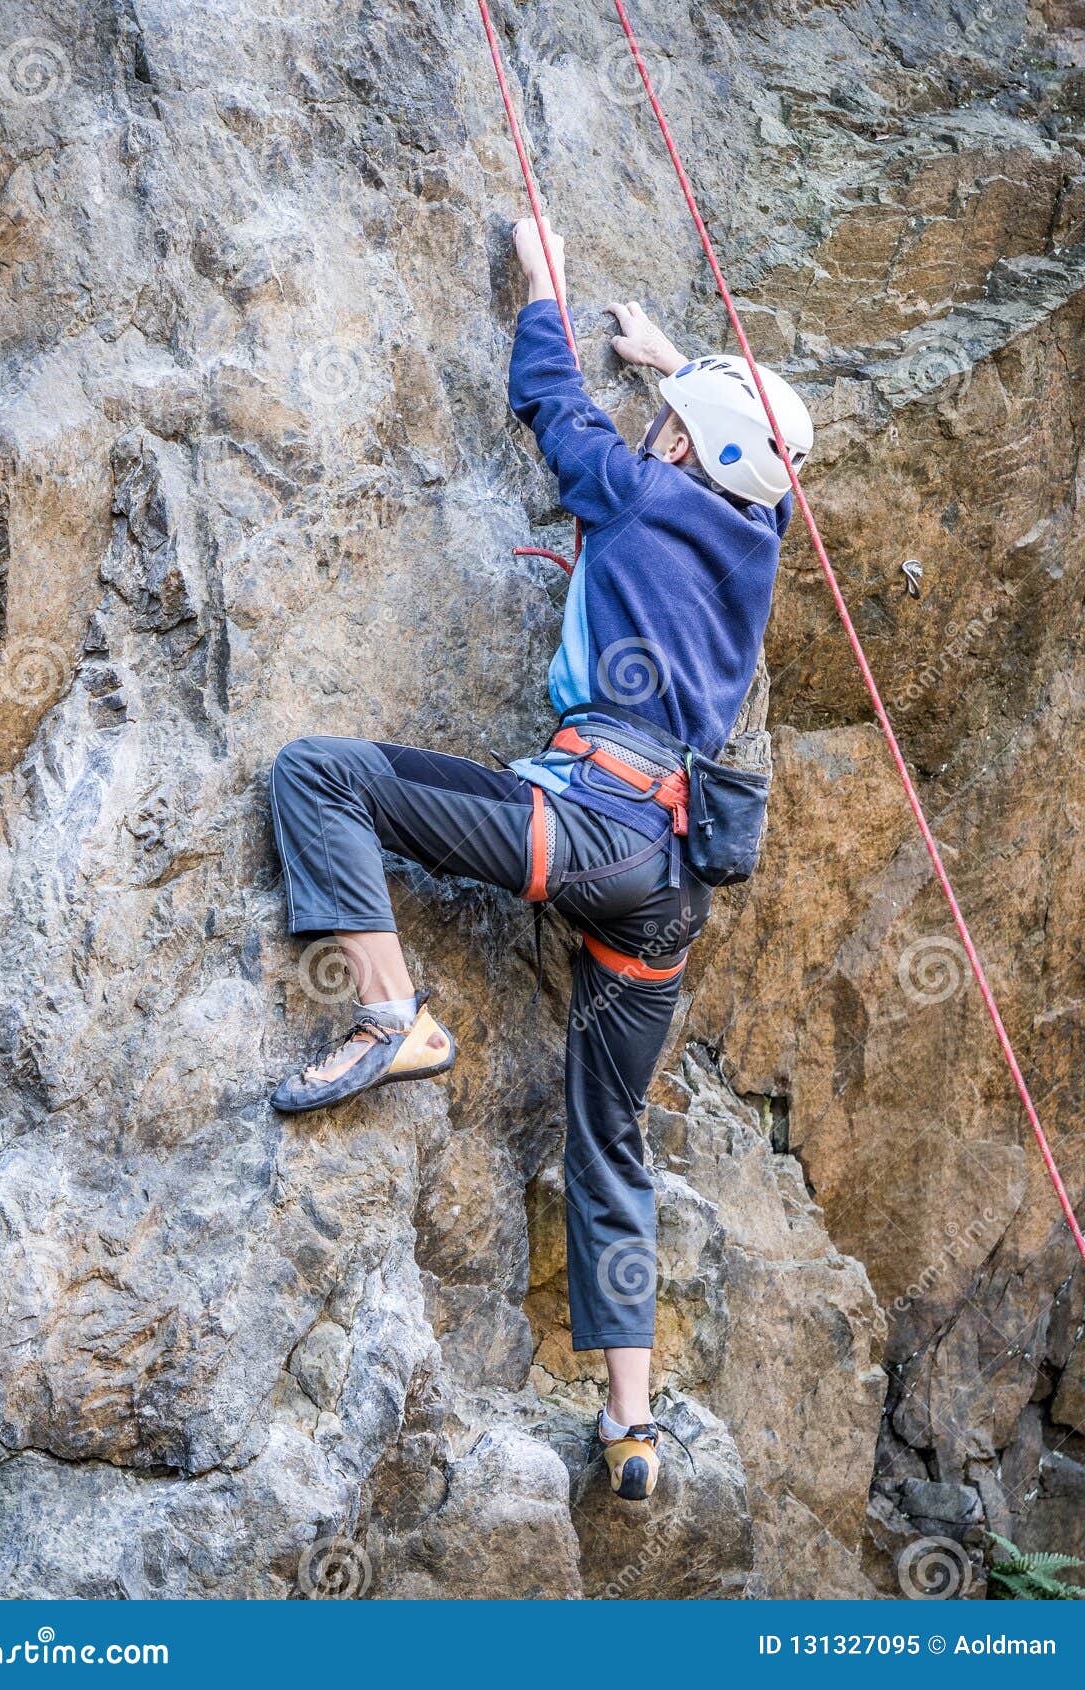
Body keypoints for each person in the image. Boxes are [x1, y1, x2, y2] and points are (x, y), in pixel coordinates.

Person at [267, 215, 812, 1501]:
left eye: (664, 422)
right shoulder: (759, 542)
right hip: (667, 888)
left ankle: (392, 1015)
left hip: (588, 820)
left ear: (674, 447)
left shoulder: (637, 487)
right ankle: (631, 1427)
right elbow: (772, 473)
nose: (649, 431)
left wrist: (542, 285)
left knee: (318, 775)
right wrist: (676, 365)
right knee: (609, 1132)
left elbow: (553, 405)